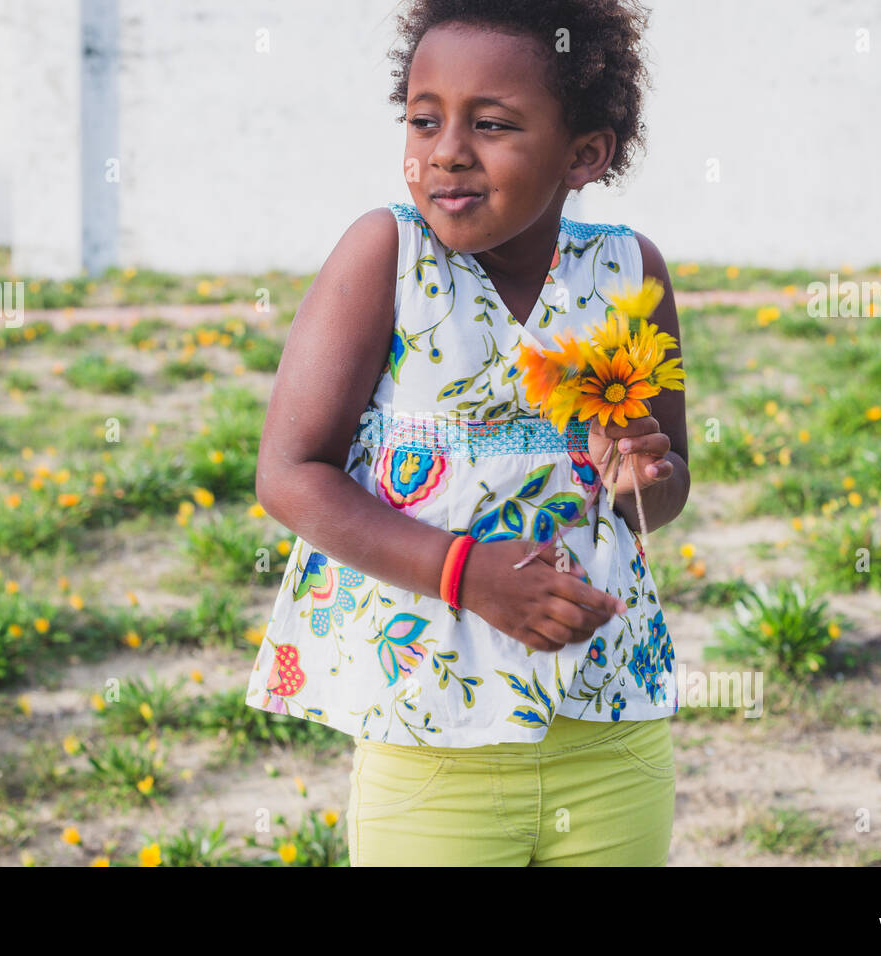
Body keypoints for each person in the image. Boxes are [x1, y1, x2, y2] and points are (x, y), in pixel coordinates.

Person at [246, 0, 689, 866]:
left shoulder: (628, 270)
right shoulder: (389, 257)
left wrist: (644, 475)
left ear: (585, 154)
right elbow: (292, 473)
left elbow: (661, 495)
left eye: (491, 124)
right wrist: (467, 575)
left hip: (610, 716)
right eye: (423, 119)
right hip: (428, 733)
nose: (446, 150)